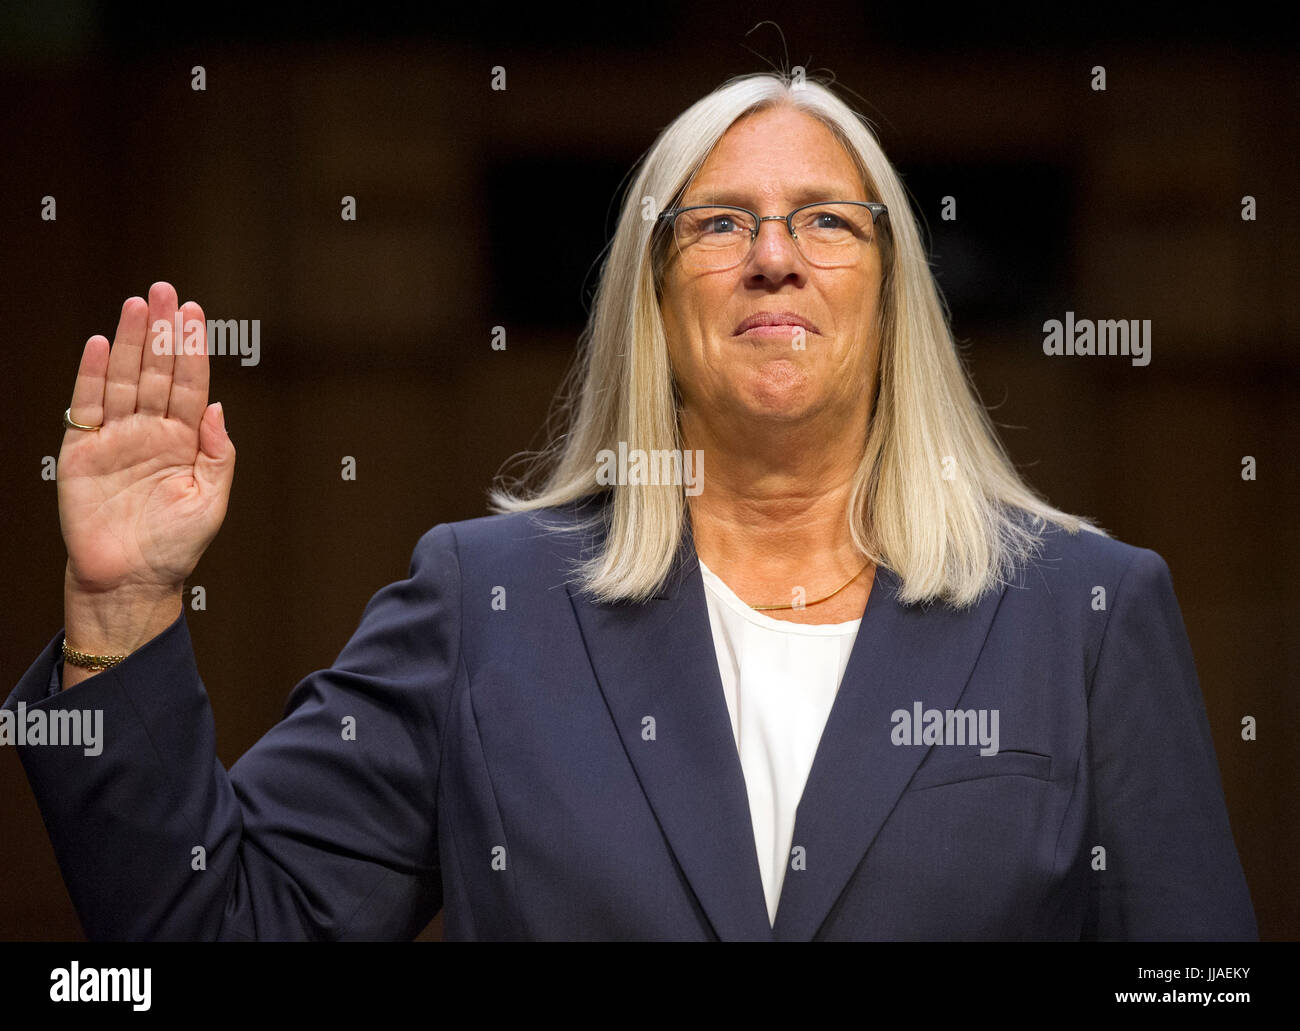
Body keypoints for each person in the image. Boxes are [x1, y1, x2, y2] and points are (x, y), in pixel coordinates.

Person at [5, 71, 1256, 940]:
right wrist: (124, 607)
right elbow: (217, 923)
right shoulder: (483, 604)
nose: (774, 254)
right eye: (717, 223)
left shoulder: (1084, 610)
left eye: (826, 219)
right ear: (650, 305)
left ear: (895, 301)